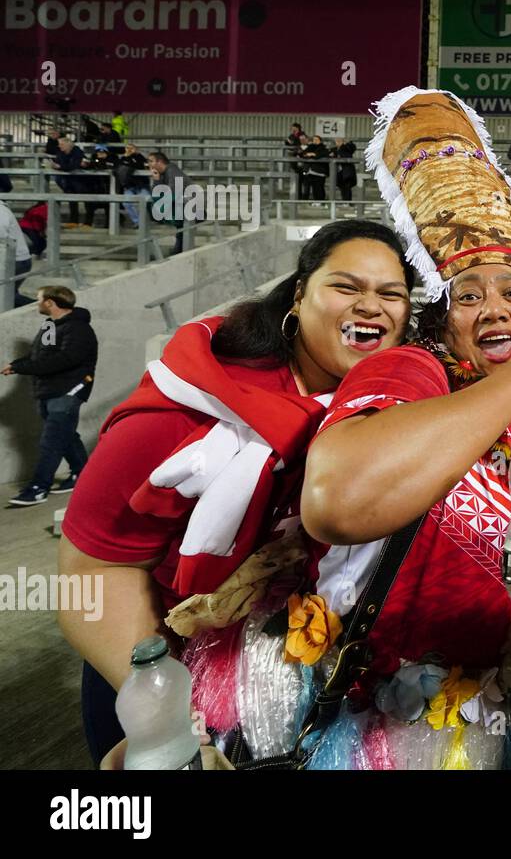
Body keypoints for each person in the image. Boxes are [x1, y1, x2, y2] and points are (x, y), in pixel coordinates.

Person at [56, 220, 414, 765]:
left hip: (285, 685)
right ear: (299, 295)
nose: (371, 306)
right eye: (346, 286)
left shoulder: (391, 411)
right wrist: (169, 711)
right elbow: (93, 574)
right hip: (163, 677)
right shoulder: (191, 410)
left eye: (391, 294)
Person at [297, 87, 511, 770]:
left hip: (495, 718)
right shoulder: (410, 372)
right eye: (469, 297)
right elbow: (337, 500)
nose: (494, 310)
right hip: (379, 728)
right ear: (440, 320)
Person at [3, 285, 98, 506]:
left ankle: (38, 488)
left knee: (52, 440)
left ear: (50, 303)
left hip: (68, 390)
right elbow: (40, 355)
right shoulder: (50, 326)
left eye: (39, 299)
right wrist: (17, 365)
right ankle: (81, 473)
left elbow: (63, 360)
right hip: (48, 390)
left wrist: (24, 368)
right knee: (66, 435)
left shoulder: (78, 329)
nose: (37, 303)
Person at [147, 151, 186, 255]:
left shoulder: (172, 171)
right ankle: (178, 249)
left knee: (182, 228)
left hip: (188, 206)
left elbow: (174, 191)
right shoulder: (163, 173)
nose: (149, 164)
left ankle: (180, 250)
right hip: (178, 206)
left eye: (151, 161)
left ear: (159, 162)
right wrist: (156, 180)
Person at [0, 198, 34, 307]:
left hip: (15, 261)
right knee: (9, 295)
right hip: (11, 259)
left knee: (6, 296)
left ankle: (42, 308)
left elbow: (2, 236)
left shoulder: (1, 211)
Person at [52, 136, 89, 227]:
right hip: (68, 181)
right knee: (71, 200)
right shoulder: (60, 153)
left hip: (82, 181)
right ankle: (74, 221)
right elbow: (60, 164)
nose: (59, 146)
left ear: (68, 144)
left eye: (61, 144)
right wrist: (63, 166)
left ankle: (88, 222)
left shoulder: (78, 152)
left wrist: (61, 167)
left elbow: (73, 166)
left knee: (87, 201)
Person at [114, 142, 149, 227]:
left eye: (131, 148)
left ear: (136, 149)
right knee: (126, 203)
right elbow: (117, 168)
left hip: (142, 185)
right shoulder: (122, 158)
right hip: (129, 186)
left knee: (146, 200)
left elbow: (140, 165)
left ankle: (143, 221)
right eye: (127, 148)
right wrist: (127, 157)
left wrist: (133, 156)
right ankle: (137, 221)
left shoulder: (140, 157)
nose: (129, 150)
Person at [300, 135, 330, 202]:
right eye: (314, 140)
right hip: (310, 171)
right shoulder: (310, 147)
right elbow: (303, 154)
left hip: (320, 172)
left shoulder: (323, 148)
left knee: (319, 188)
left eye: (317, 139)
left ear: (320, 141)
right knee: (312, 187)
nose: (315, 141)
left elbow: (321, 155)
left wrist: (313, 154)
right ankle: (309, 201)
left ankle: (320, 201)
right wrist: (309, 154)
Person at [330, 137, 358, 202]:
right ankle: (344, 201)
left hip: (347, 172)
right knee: (342, 187)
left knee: (347, 187)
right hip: (338, 172)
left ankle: (347, 201)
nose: (338, 142)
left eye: (340, 141)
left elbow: (352, 148)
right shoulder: (333, 150)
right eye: (337, 141)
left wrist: (347, 143)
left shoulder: (346, 148)